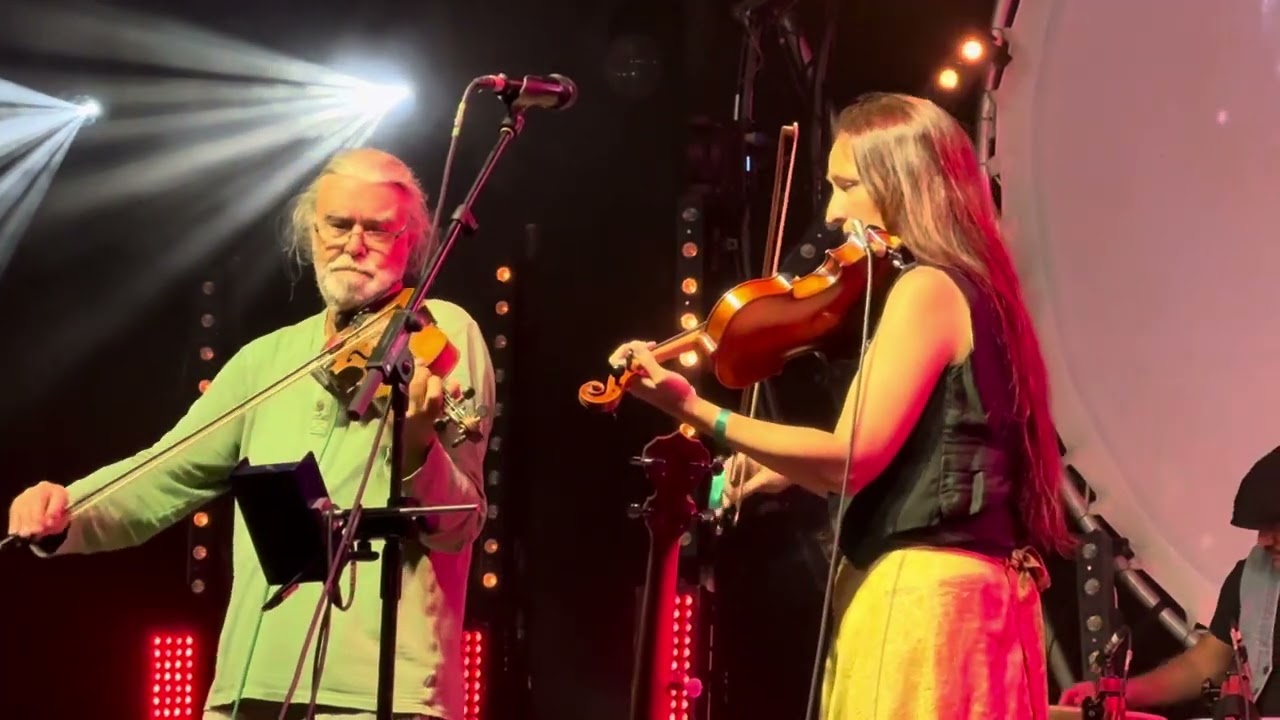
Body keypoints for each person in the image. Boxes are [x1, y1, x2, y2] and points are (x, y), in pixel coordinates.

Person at [608, 92, 1073, 719]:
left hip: (925, 609)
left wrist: (694, 408)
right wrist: (781, 468)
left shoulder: (927, 288)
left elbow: (847, 459)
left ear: (902, 183)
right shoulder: (981, 293)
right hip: (976, 605)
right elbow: (940, 448)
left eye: (846, 185)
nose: (832, 211)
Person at [6, 148, 495, 720]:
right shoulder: (265, 361)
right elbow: (163, 474)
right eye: (338, 224)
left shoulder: (441, 333)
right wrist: (66, 510)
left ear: (410, 241)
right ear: (312, 232)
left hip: (385, 695)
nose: (354, 244)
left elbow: (462, 522)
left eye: (378, 229)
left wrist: (418, 448)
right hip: (248, 688)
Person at [1059, 446, 1280, 715]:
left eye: (1275, 526)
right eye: (1261, 528)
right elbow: (1202, 665)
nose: (1264, 540)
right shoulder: (1253, 575)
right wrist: (1120, 693)